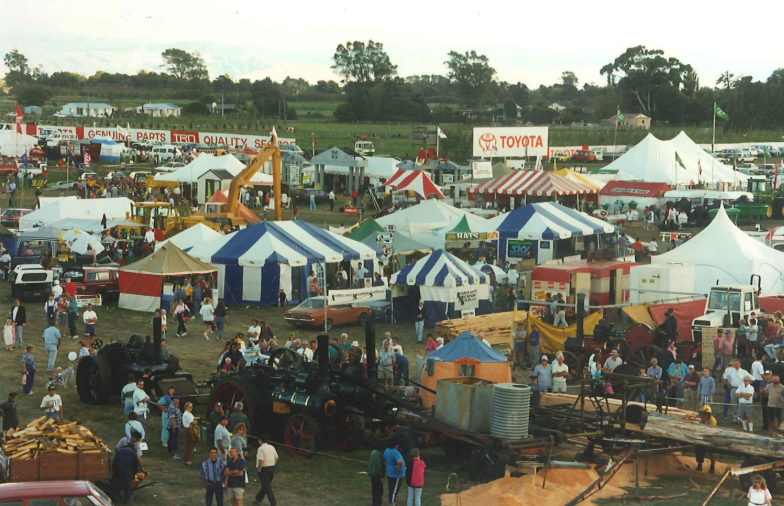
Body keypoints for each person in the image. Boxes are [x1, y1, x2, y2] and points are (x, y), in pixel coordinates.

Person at [113, 435, 141, 504]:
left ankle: (115, 499)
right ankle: (126, 501)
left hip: (118, 470)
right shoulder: (133, 452)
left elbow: (115, 461)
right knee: (128, 487)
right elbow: (135, 464)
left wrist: (113, 471)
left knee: (116, 484)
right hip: (127, 471)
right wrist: (135, 473)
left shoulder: (120, 451)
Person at [255, 433, 278, 506]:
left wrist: (259, 469)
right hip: (272, 467)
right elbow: (276, 457)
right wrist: (273, 463)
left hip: (264, 469)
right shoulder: (271, 447)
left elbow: (261, 460)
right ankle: (258, 498)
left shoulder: (261, 449)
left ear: (260, 441)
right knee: (265, 485)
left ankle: (273, 502)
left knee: (267, 486)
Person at [695, 405, 717, 474]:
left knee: (711, 451)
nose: (702, 415)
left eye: (704, 414)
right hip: (703, 438)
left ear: (708, 414)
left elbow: (710, 432)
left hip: (711, 439)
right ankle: (699, 465)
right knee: (698, 448)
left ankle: (712, 467)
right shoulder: (703, 419)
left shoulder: (712, 421)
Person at [383, 439, 406, 506]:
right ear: (396, 445)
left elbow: (384, 460)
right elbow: (400, 461)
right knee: (395, 489)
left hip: (390, 472)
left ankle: (392, 500)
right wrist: (399, 466)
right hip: (396, 474)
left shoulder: (386, 450)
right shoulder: (395, 452)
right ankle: (392, 502)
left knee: (391, 488)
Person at [167, 395, 183, 460]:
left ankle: (172, 453)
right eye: (176, 399)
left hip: (176, 426)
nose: (177, 400)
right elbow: (172, 418)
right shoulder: (172, 407)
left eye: (178, 399)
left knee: (173, 439)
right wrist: (174, 427)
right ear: (173, 399)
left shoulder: (177, 406)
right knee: (172, 440)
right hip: (173, 426)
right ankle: (171, 454)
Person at [182, 401, 195, 465]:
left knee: (191, 444)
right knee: (189, 444)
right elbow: (193, 422)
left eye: (192, 406)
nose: (191, 408)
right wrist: (194, 421)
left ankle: (188, 459)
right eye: (190, 407)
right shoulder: (186, 414)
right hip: (188, 429)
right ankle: (187, 460)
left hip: (191, 429)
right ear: (186, 407)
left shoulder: (190, 413)